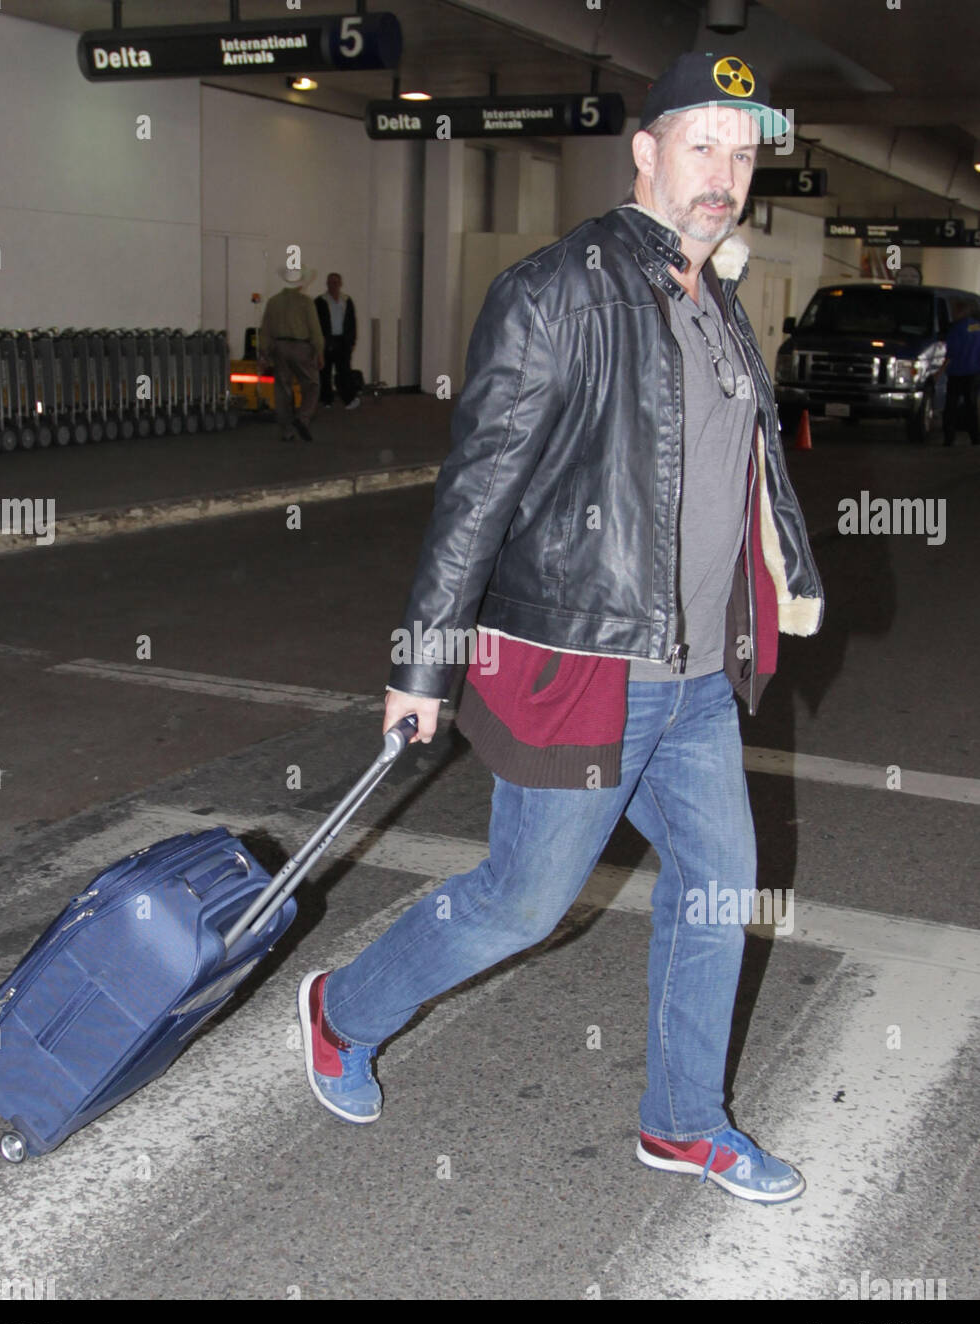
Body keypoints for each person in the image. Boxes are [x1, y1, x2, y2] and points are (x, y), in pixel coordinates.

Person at [297, 52, 824, 1204]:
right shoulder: (555, 292)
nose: (724, 175)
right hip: (587, 667)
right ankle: (341, 1010)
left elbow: (739, 481)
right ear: (643, 151)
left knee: (717, 886)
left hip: (692, 681)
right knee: (521, 903)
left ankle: (683, 1122)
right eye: (702, 146)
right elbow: (475, 490)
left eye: (741, 156)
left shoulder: (716, 301)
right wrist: (424, 663)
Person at [258, 265, 324, 442]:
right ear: (302, 283)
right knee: (312, 385)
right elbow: (315, 330)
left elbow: (265, 329)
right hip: (301, 348)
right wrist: (319, 351)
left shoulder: (273, 302)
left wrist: (264, 353)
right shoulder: (306, 302)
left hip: (279, 347)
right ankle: (302, 418)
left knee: (282, 390)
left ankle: (286, 430)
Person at [315, 273, 359, 410]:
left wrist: (352, 342)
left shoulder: (347, 300)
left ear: (340, 284)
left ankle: (348, 400)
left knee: (344, 371)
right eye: (330, 282)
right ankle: (326, 399)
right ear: (327, 284)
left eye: (335, 282)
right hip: (326, 340)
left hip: (343, 341)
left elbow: (352, 322)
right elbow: (315, 323)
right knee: (325, 372)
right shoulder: (320, 301)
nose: (333, 285)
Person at [940, 298, 980, 445]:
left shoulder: (956, 329)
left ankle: (949, 438)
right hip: (974, 372)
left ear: (961, 311)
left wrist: (939, 372)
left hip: (957, 373)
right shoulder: (977, 327)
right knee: (971, 406)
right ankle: (975, 437)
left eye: (955, 310)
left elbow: (951, 352)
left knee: (951, 406)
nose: (953, 313)